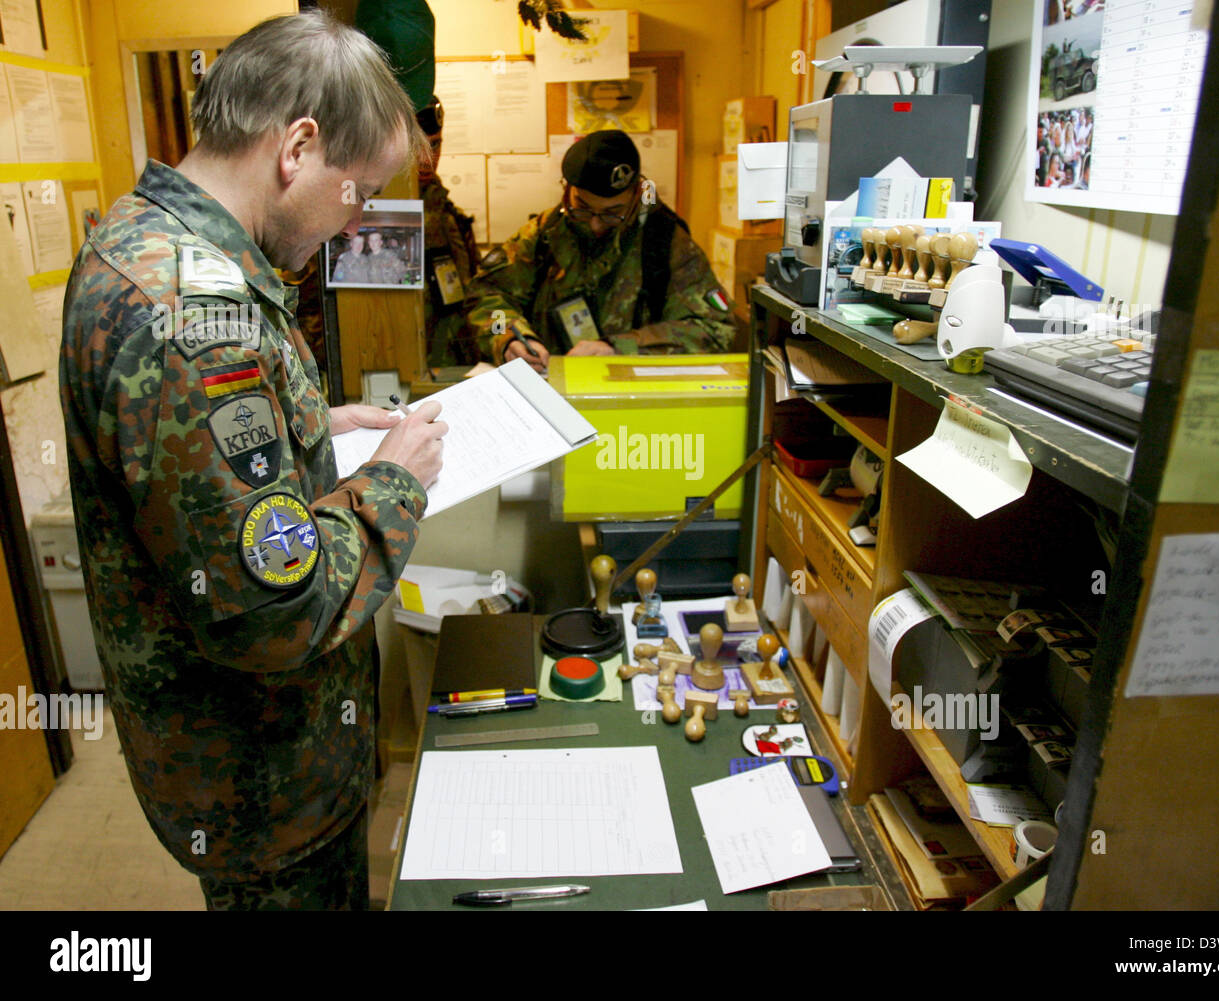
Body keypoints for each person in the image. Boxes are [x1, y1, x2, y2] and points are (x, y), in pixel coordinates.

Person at [59, 10, 448, 910]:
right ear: (298, 147)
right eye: (359, 192)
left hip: (252, 761)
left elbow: (207, 468)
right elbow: (278, 609)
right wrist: (394, 481)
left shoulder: (145, 236)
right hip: (266, 778)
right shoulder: (194, 312)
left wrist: (315, 427)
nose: (355, 226)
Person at [465, 129, 737, 371]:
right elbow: (487, 298)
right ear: (567, 190)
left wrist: (618, 348)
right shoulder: (544, 234)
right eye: (582, 207)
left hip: (635, 402)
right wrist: (508, 336)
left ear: (637, 191)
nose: (595, 224)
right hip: (553, 390)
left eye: (612, 213)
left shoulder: (667, 243)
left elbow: (714, 329)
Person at [416, 97, 482, 368]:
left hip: (451, 365)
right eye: (416, 146)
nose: (427, 159)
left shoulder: (448, 214)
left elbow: (475, 292)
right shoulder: (361, 217)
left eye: (435, 145)